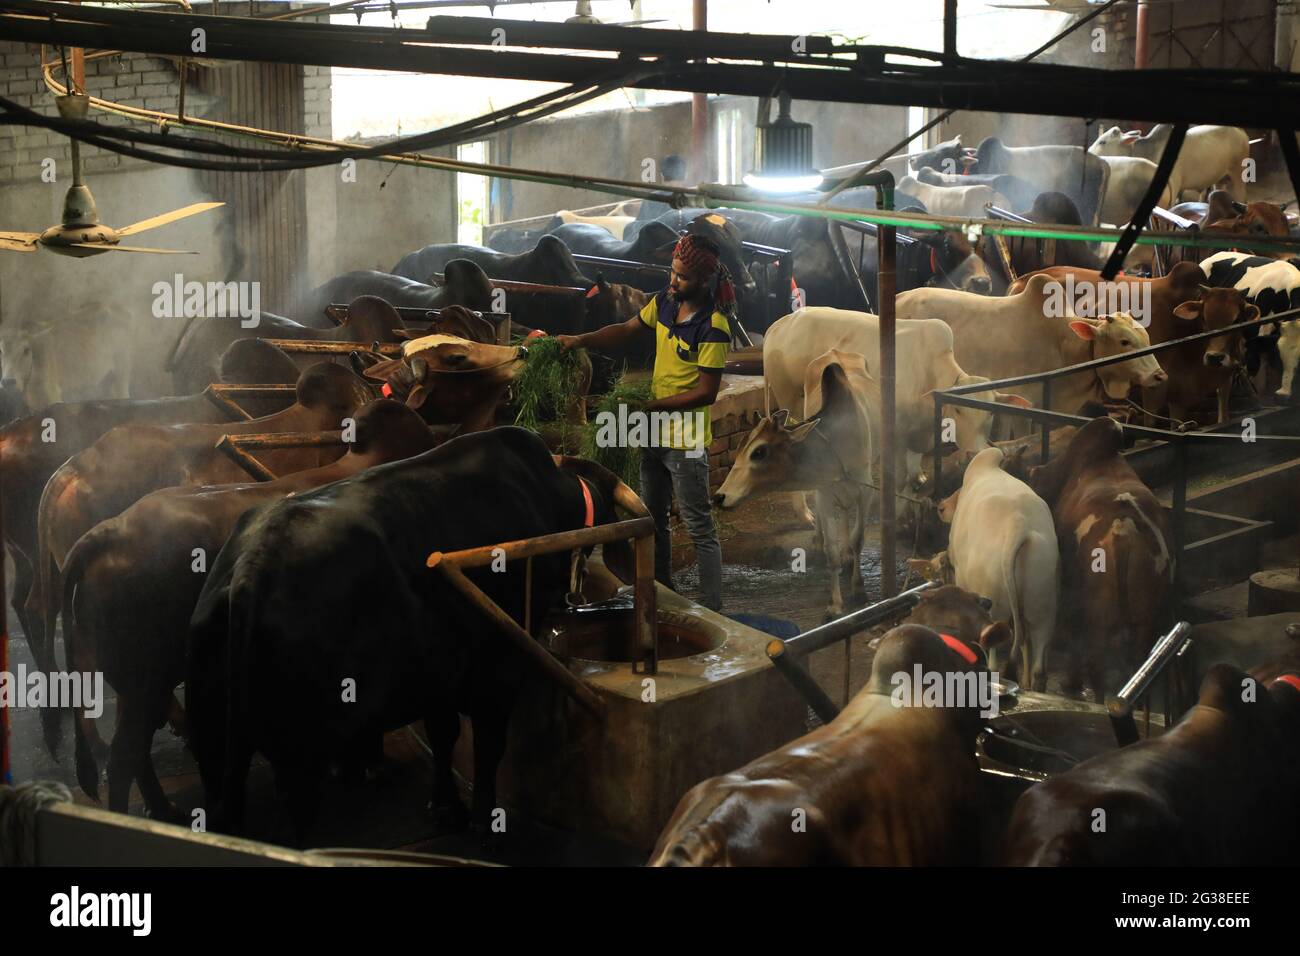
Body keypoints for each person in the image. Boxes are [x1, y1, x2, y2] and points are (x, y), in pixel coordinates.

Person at [557, 234, 733, 611]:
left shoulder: (714, 327)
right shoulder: (665, 304)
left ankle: (713, 608)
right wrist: (581, 340)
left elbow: (706, 392)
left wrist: (652, 408)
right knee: (652, 520)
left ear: (702, 281)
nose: (673, 281)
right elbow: (625, 330)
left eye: (682, 277)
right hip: (653, 433)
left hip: (685, 439)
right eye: (673, 272)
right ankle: (661, 593)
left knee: (699, 526)